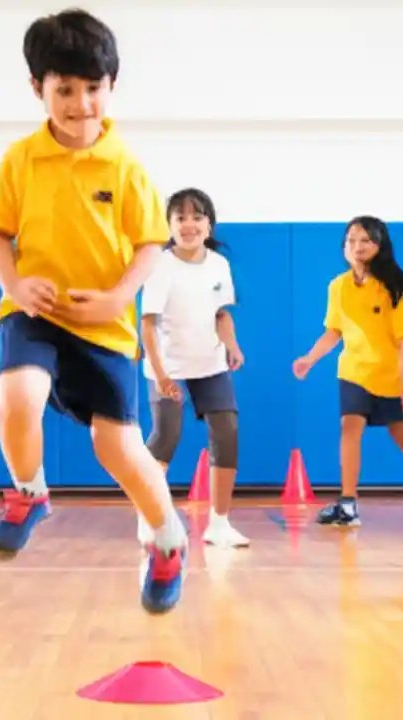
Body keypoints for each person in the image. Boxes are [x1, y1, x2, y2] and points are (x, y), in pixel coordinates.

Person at [0, 9, 188, 614]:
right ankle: (29, 492)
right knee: (16, 395)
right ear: (37, 88)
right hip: (33, 312)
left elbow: (151, 243)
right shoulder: (21, 159)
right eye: (64, 89)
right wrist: (15, 285)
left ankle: (169, 543)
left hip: (105, 326)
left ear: (110, 87)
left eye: (92, 88)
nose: (79, 103)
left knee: (116, 447)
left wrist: (121, 296)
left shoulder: (123, 165)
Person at [293, 216, 403, 526]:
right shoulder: (337, 286)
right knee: (350, 427)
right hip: (352, 372)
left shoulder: (390, 289)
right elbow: (333, 331)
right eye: (351, 240)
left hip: (390, 374)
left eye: (365, 240)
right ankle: (348, 503)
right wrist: (310, 358)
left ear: (380, 246)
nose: (357, 246)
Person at [139, 188, 248, 548]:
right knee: (167, 434)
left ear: (209, 224)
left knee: (227, 430)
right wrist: (162, 374)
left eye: (197, 217)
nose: (189, 225)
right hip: (167, 363)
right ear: (168, 225)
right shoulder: (159, 265)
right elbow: (148, 324)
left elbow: (221, 314)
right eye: (180, 218)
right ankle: (150, 516)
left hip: (210, 361)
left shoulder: (219, 264)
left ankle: (219, 523)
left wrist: (231, 345)